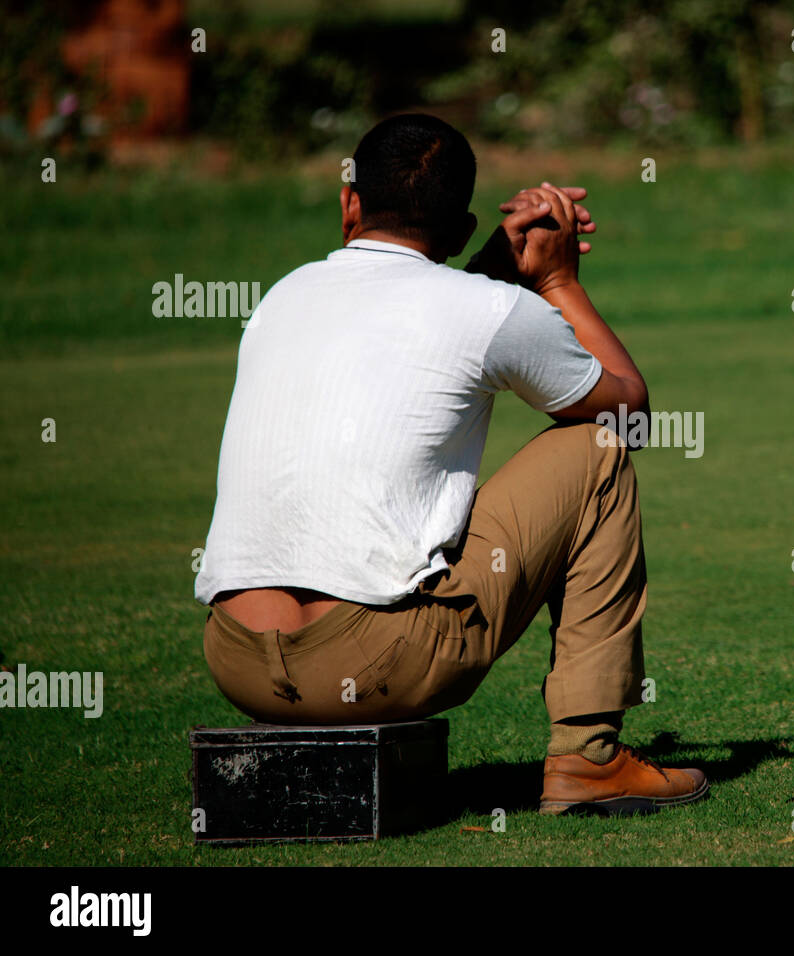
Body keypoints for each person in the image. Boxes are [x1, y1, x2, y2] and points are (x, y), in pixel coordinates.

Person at [195, 113, 707, 816]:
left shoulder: (283, 296)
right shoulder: (487, 306)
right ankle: (589, 760)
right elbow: (627, 414)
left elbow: (419, 316)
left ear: (349, 204)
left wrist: (492, 276)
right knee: (599, 448)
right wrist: (556, 279)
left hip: (240, 663)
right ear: (463, 231)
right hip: (378, 664)